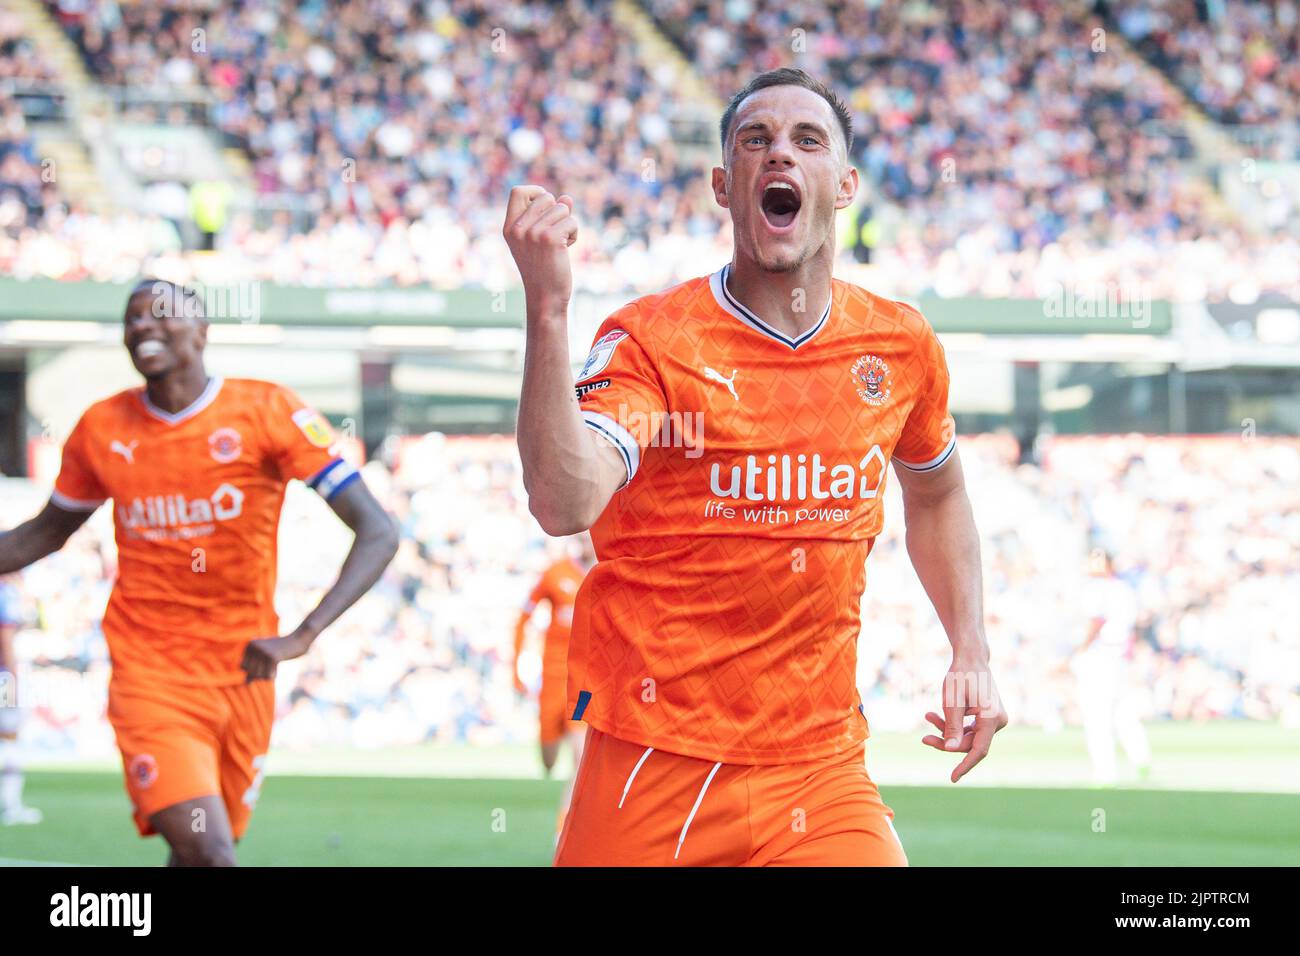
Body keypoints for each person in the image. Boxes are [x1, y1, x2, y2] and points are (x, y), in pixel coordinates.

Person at [505, 68, 1008, 867]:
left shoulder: (899, 345)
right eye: (756, 141)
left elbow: (939, 492)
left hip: (820, 768)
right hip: (650, 762)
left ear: (842, 186)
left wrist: (971, 650)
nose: (781, 154)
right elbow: (565, 500)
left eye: (808, 141)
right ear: (723, 184)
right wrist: (546, 311)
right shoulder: (653, 342)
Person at [0, 279, 399, 865]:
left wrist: (305, 633)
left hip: (245, 672)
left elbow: (378, 530)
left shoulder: (267, 410)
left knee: (199, 852)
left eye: (160, 313)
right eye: (131, 319)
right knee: (210, 851)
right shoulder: (101, 429)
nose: (142, 327)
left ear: (203, 331)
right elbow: (42, 534)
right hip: (151, 673)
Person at [512, 533, 595, 835]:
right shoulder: (555, 574)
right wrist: (516, 670)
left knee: (579, 756)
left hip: (585, 682)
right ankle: (549, 748)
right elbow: (524, 617)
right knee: (548, 757)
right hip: (553, 678)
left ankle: (563, 833)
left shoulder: (608, 573)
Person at [1072, 550, 1152, 785]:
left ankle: (1104, 771)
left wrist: (1081, 649)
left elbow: (1097, 620)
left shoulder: (1097, 588)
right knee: (1122, 711)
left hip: (1099, 654)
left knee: (1097, 714)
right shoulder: (1124, 588)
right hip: (1118, 655)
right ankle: (1141, 759)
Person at [0, 572, 41, 826]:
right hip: (3, 678)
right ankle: (11, 806)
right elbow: (5, 638)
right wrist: (13, 677)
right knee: (10, 736)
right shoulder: (5, 594)